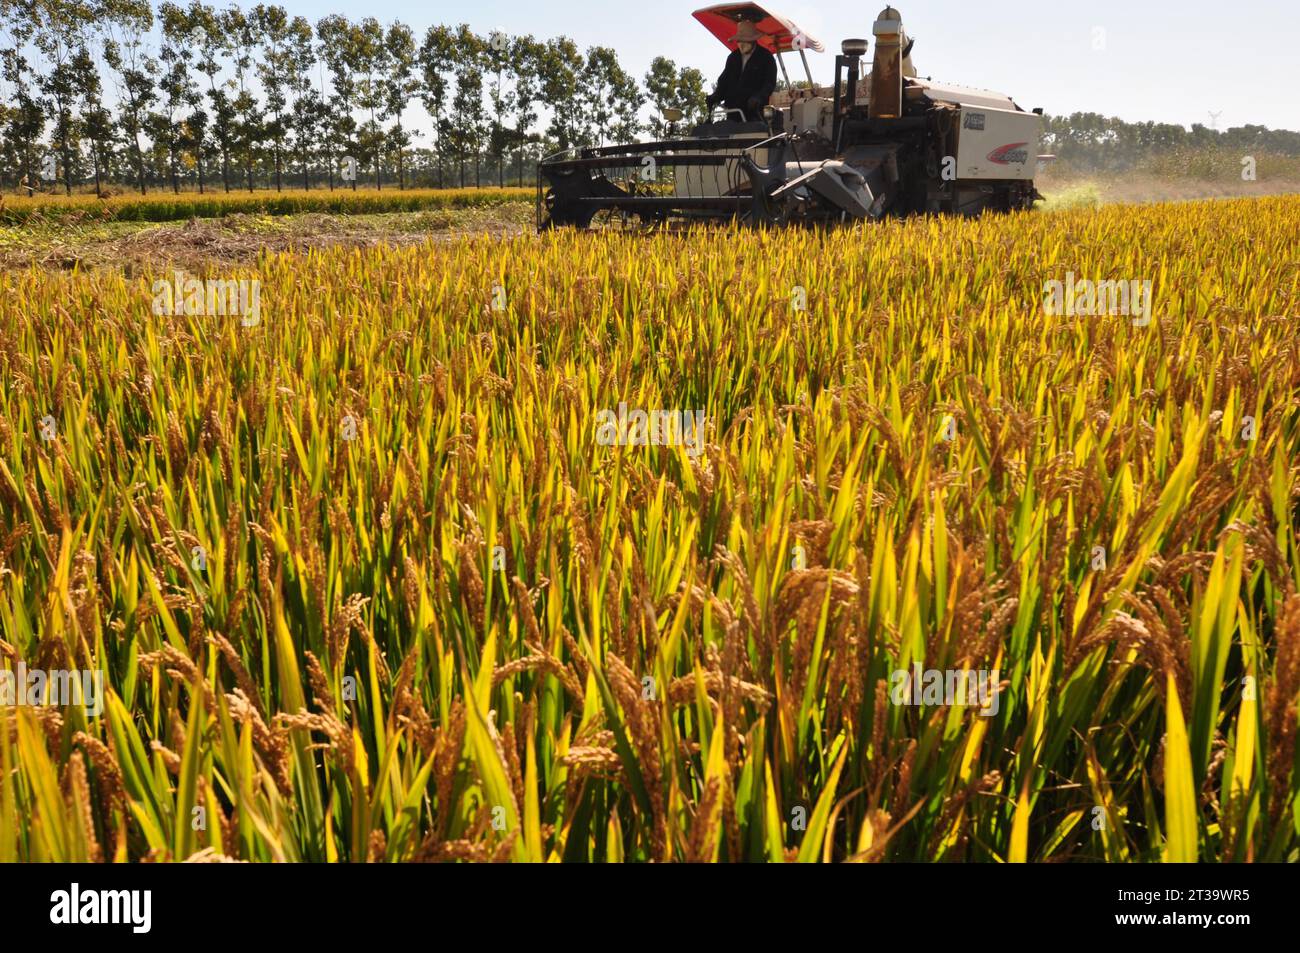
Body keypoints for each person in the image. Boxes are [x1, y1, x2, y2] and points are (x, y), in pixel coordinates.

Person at [705, 21, 778, 122]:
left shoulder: (766, 58)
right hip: (733, 113)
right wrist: (716, 96)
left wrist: (759, 97)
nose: (742, 45)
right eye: (739, 41)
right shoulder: (732, 58)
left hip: (755, 114)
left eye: (745, 41)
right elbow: (724, 81)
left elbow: (769, 84)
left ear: (753, 40)